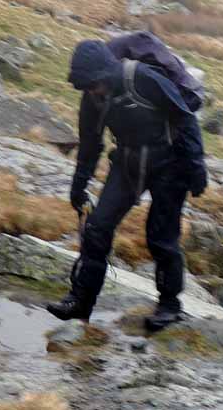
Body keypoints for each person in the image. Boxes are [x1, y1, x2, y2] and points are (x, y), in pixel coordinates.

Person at [47, 40, 208, 331]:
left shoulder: (143, 78)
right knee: (97, 228)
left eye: (93, 84)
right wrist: (78, 185)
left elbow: (185, 118)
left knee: (160, 236)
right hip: (128, 162)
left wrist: (196, 169)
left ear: (106, 73)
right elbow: (90, 144)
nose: (90, 91)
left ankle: (170, 306)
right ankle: (81, 301)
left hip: (169, 163)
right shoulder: (92, 98)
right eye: (85, 86)